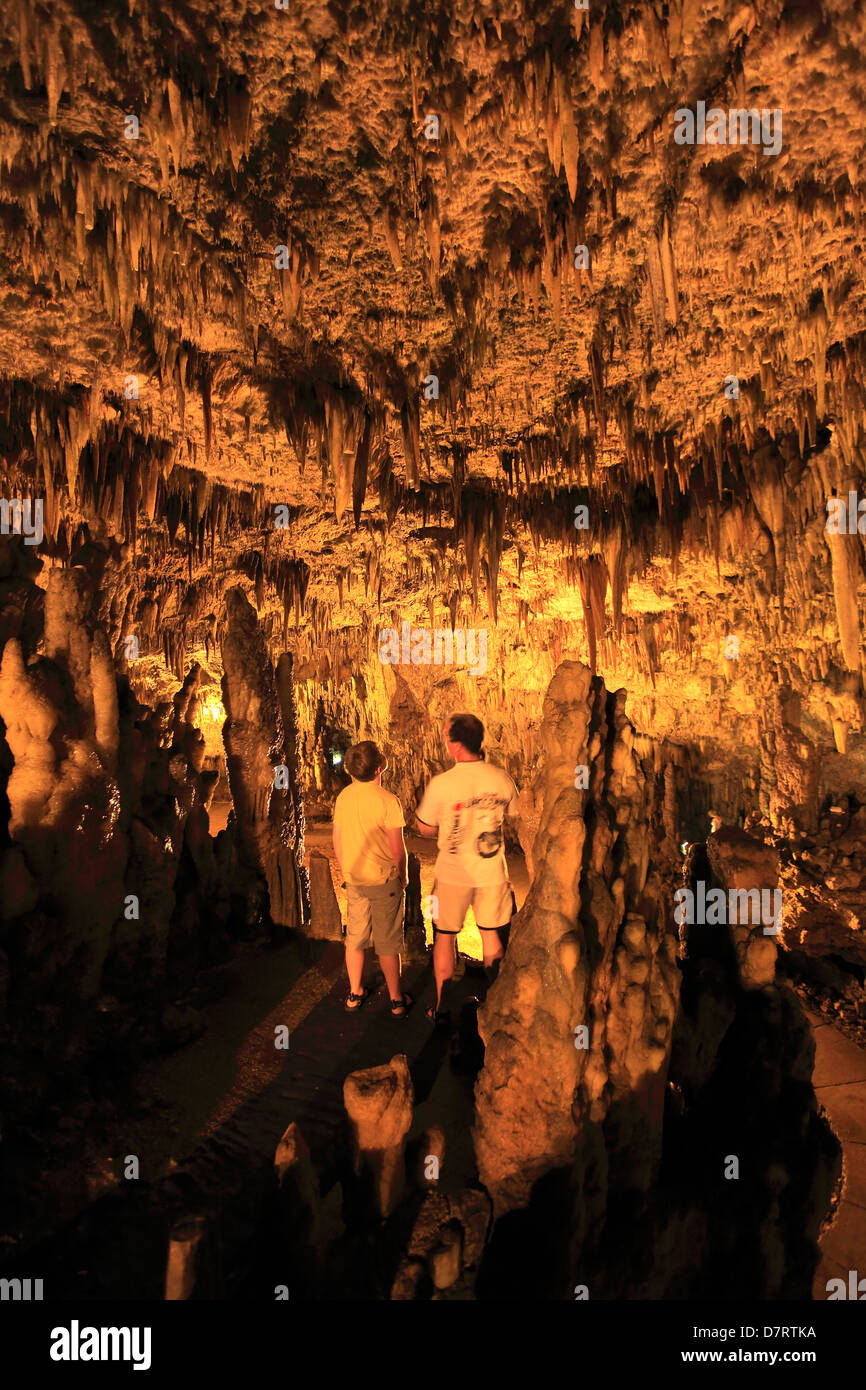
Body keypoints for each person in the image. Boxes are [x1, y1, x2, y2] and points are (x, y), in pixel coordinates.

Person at [415, 713, 519, 1023]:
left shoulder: (443, 783)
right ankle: (497, 1007)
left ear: (456, 745)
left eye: (447, 737)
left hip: (452, 874)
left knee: (445, 938)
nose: (445, 742)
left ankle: (442, 1007)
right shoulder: (501, 779)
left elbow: (424, 828)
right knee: (492, 939)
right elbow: (515, 814)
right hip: (492, 872)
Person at [332, 741, 412, 1018]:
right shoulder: (388, 801)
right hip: (383, 881)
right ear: (380, 767)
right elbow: (397, 848)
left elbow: (338, 840)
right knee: (388, 942)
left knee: (355, 938)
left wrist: (347, 871)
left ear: (351, 771)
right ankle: (395, 999)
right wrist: (403, 875)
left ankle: (354, 993)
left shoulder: (344, 797)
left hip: (355, 880)